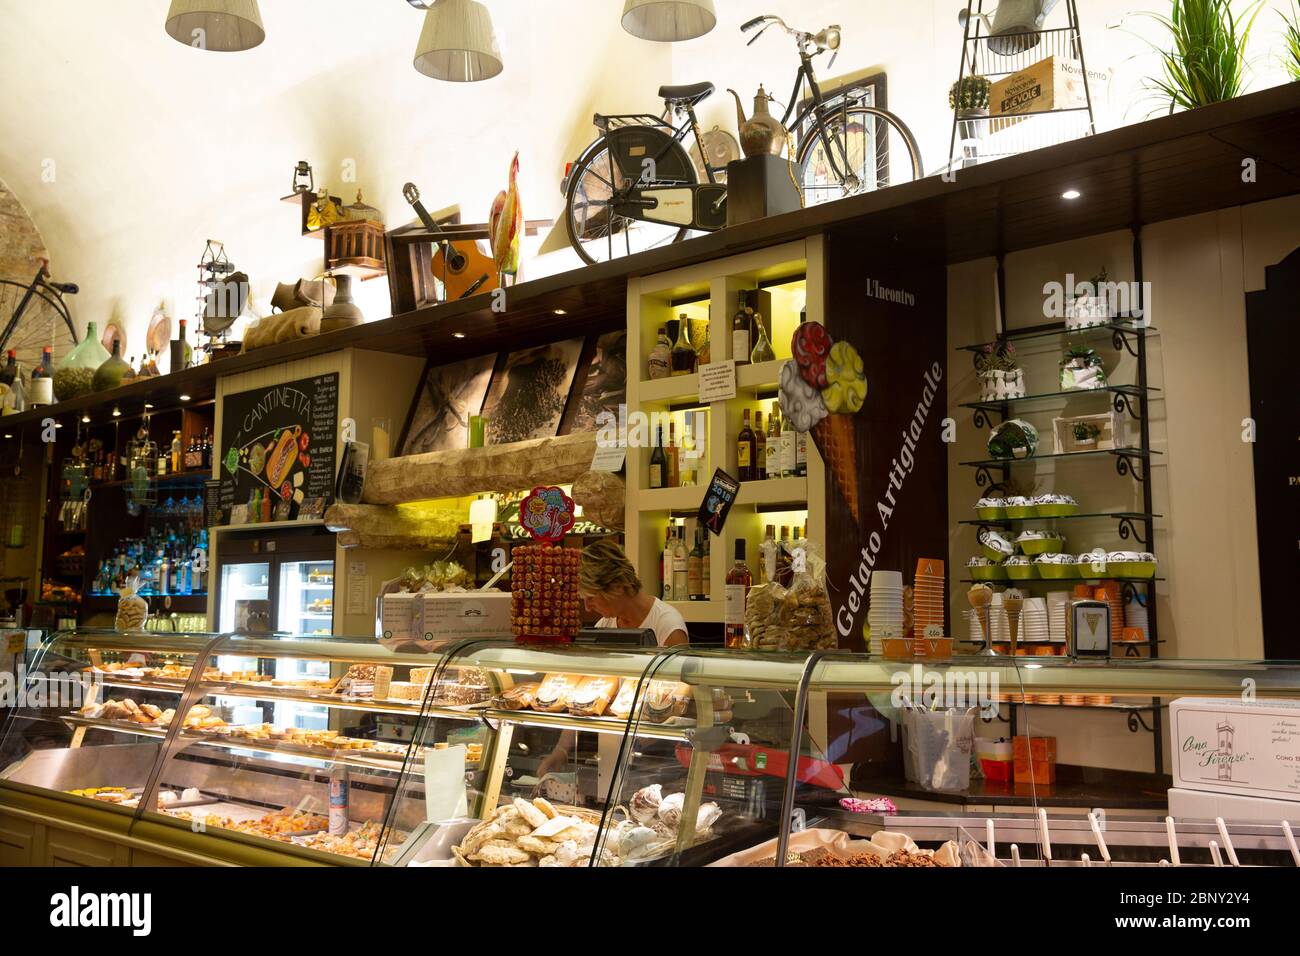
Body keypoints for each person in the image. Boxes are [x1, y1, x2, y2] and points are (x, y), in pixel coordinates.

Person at [579, 537, 687, 647]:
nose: (587, 608)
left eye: (591, 597)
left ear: (618, 585)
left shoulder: (668, 626)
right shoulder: (603, 626)